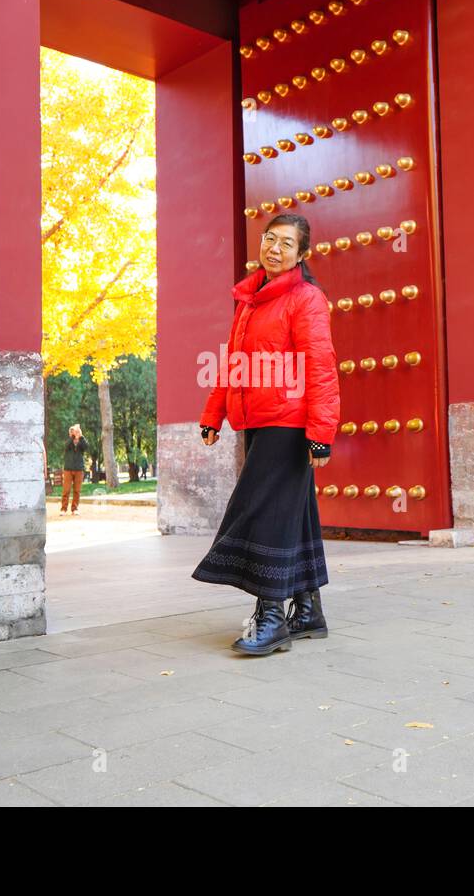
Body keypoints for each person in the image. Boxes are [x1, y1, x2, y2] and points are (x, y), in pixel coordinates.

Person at [193, 213, 340, 656]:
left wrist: (320, 433)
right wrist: (212, 413)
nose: (275, 248)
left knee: (266, 512)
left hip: (290, 424)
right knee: (294, 513)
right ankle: (309, 612)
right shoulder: (250, 300)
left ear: (301, 255)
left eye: (286, 244)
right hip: (258, 420)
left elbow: (320, 366)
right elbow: (233, 362)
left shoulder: (306, 299)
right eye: (270, 239)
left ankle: (272, 616)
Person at [60, 424, 88, 515]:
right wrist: (73, 436)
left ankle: (74, 509)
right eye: (72, 432)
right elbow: (66, 445)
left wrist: (81, 436)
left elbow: (86, 447)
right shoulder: (68, 442)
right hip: (68, 469)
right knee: (66, 490)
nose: (75, 433)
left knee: (77, 490)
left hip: (79, 469)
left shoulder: (81, 442)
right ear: (70, 434)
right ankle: (63, 509)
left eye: (76, 432)